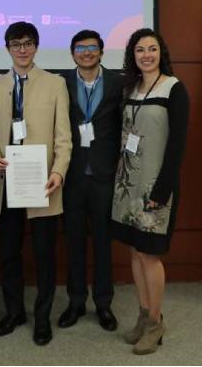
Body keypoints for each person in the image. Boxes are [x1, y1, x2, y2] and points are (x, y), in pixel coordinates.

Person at [0, 21, 72, 345]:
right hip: (7, 181)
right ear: (7, 48)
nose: (22, 49)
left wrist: (58, 172)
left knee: (45, 254)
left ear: (36, 46)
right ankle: (14, 312)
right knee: (9, 252)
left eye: (28, 43)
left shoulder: (55, 84)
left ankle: (42, 317)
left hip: (43, 181)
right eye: (16, 44)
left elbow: (64, 137)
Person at [112, 28, 190, 355]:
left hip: (155, 186)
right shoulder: (130, 88)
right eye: (140, 50)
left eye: (152, 49)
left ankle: (156, 323)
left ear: (161, 53)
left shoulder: (174, 88)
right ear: (133, 55)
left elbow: (178, 144)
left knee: (149, 254)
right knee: (134, 251)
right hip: (127, 184)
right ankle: (144, 316)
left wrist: (163, 188)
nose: (146, 55)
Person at [61, 29, 124, 332]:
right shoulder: (60, 82)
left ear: (101, 51)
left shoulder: (118, 82)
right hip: (71, 175)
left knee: (102, 242)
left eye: (92, 47)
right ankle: (75, 302)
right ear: (72, 53)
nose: (86, 53)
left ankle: (103, 303)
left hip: (104, 175)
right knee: (73, 242)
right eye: (80, 48)